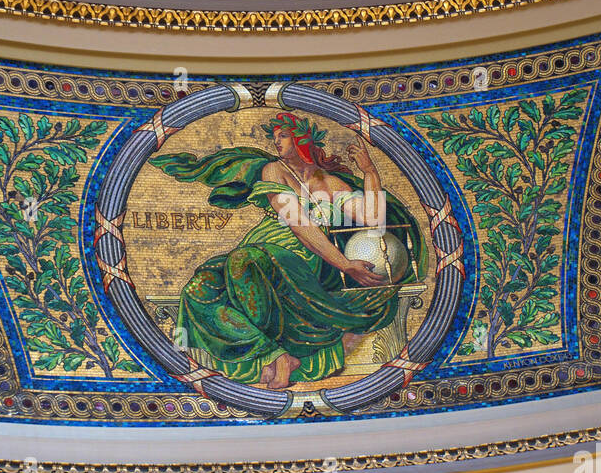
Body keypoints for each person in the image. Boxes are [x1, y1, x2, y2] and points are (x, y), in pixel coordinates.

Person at [149, 113, 424, 389]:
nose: (275, 141)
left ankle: (277, 357)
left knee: (243, 261)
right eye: (274, 136)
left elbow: (374, 220)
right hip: (260, 253)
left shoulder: (331, 185)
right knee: (199, 288)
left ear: (302, 140)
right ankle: (274, 355)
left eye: (283, 135)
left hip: (304, 261)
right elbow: (295, 220)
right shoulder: (275, 170)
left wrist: (369, 172)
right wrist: (344, 263)